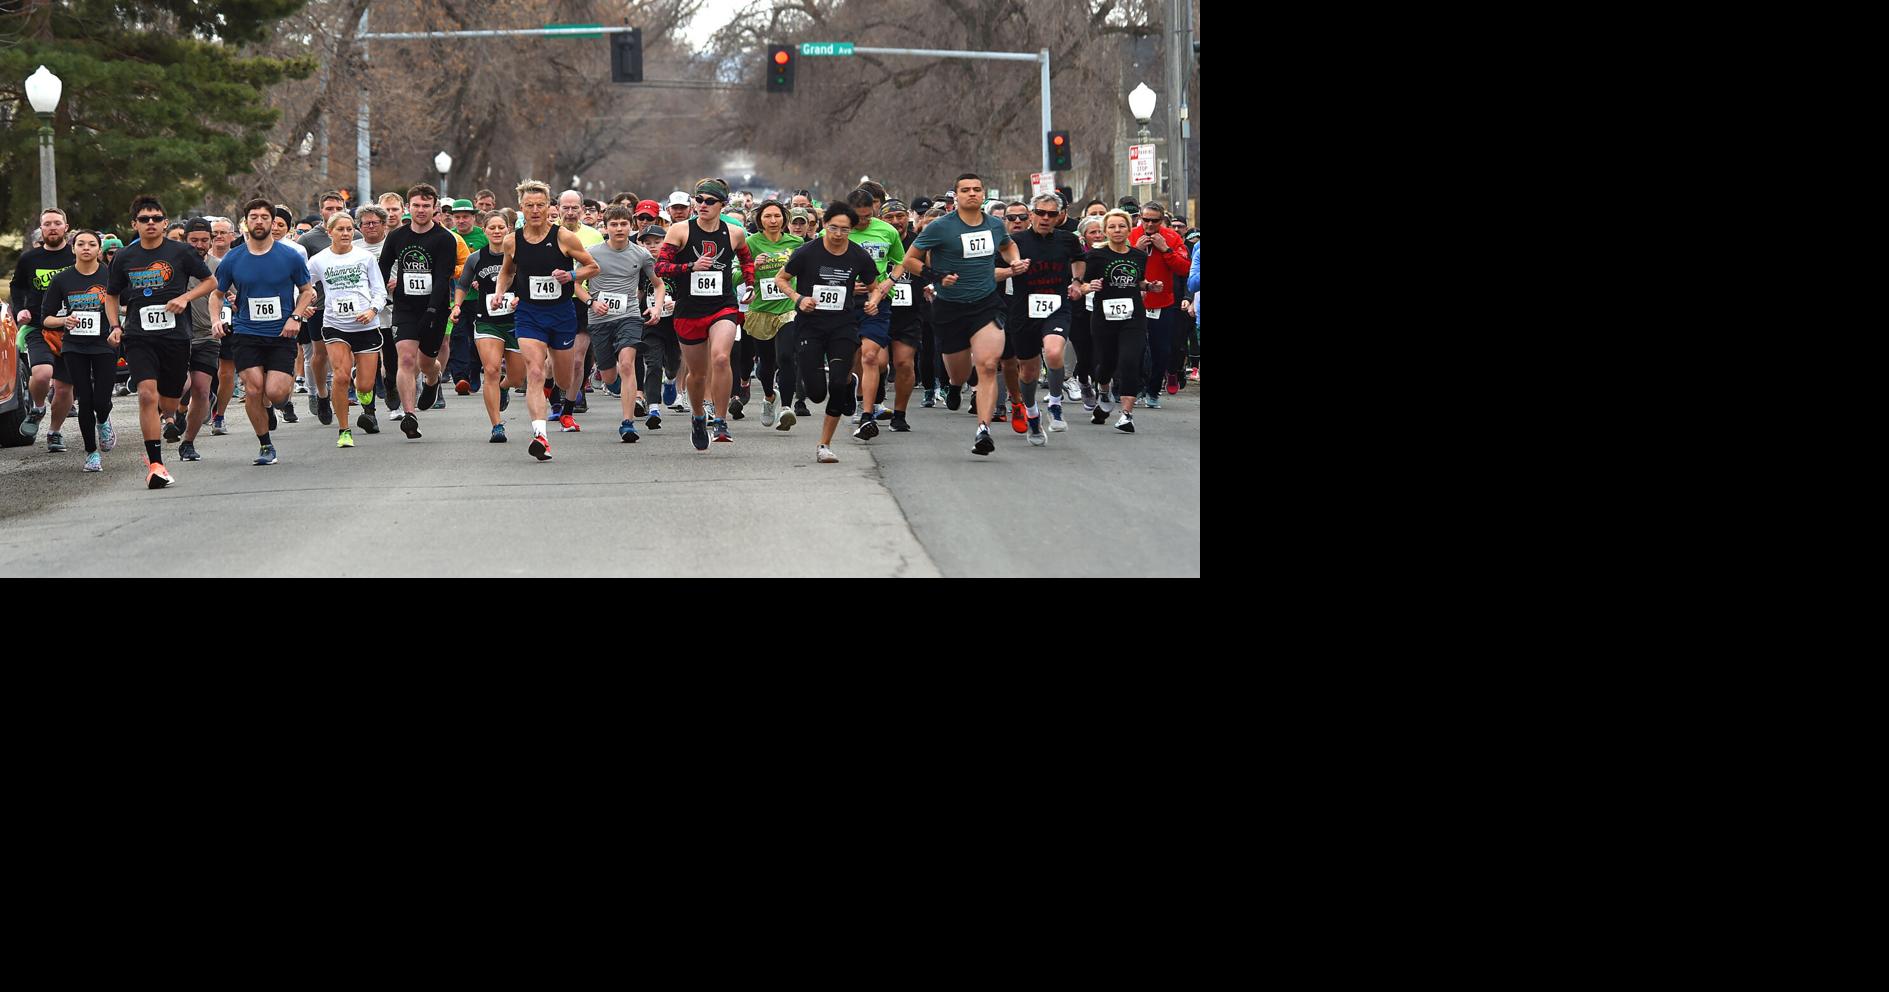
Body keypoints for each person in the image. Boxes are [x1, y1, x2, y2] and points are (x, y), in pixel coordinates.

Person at [903, 173, 1024, 456]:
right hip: (950, 308)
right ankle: (955, 386)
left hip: (986, 304)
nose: (972, 194)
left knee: (987, 364)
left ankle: (984, 430)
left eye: (977, 189)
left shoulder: (995, 224)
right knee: (958, 372)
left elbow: (1008, 245)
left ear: (983, 194)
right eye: (966, 190)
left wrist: (1015, 262)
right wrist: (937, 275)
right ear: (956, 196)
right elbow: (910, 260)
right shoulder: (942, 227)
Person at [105, 195, 219, 487]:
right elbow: (111, 294)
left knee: (167, 402)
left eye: (156, 218)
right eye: (144, 219)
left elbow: (210, 282)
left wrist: (184, 297)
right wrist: (115, 325)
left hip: (176, 337)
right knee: (146, 394)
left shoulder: (181, 252)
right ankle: (156, 464)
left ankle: (169, 416)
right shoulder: (124, 257)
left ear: (165, 222)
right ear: (135, 224)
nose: (151, 223)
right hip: (139, 336)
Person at [492, 179, 599, 460]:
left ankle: (554, 387)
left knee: (563, 379)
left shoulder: (564, 237)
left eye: (541, 205)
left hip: (561, 313)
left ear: (549, 206)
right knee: (535, 371)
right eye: (530, 206)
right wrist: (499, 292)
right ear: (521, 208)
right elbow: (507, 271)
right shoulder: (512, 239)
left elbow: (593, 266)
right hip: (529, 313)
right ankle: (540, 435)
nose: (536, 210)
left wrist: (572, 276)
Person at [777, 203, 890, 463]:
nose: (838, 234)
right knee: (816, 392)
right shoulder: (807, 252)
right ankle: (848, 384)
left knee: (837, 384)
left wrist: (873, 300)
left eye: (845, 230)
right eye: (834, 228)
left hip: (843, 324)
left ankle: (824, 444)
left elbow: (874, 286)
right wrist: (798, 298)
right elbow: (781, 279)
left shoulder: (859, 255)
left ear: (852, 230)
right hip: (811, 326)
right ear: (825, 225)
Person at [651, 178, 753, 450]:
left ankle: (720, 420)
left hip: (723, 305)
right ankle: (698, 417)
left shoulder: (734, 232)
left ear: (722, 205)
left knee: (720, 358)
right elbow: (660, 267)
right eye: (699, 199)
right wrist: (690, 267)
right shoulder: (680, 231)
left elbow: (745, 258)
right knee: (697, 374)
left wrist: (751, 284)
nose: (703, 205)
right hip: (689, 309)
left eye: (710, 201)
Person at [999, 192, 1087, 442]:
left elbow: (1080, 260)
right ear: (1031, 214)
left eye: (1051, 214)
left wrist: (1077, 281)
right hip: (1023, 311)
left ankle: (1056, 405)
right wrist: (1011, 270)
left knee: (1054, 352)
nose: (1045, 218)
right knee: (1028, 372)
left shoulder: (1068, 240)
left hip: (1056, 306)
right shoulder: (1014, 242)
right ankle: (1032, 414)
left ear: (1059, 216)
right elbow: (992, 272)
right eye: (1040, 213)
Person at [376, 183, 459, 440]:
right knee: (407, 360)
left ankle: (433, 380)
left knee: (426, 364)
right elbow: (381, 269)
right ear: (407, 208)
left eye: (426, 206)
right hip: (404, 308)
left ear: (434, 208)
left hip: (433, 309)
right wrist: (380, 297)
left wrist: (433, 311)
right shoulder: (397, 236)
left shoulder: (444, 238)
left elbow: (443, 276)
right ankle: (409, 414)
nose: (421, 210)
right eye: (416, 206)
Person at [306, 210, 388, 449]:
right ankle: (344, 430)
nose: (345, 233)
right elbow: (302, 285)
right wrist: (306, 303)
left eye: (350, 229)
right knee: (340, 377)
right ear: (329, 232)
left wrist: (373, 310)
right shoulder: (319, 260)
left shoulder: (365, 258)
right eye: (340, 229)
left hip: (365, 325)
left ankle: (362, 389)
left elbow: (380, 291)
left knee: (365, 385)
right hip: (335, 325)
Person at [583, 205, 664, 443]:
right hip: (599, 318)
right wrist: (591, 302)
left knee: (627, 364)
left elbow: (658, 284)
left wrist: (657, 307)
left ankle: (627, 423)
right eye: (614, 224)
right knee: (610, 377)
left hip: (628, 315)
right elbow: (577, 283)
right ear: (605, 227)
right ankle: (605, 373)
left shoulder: (641, 254)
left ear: (631, 227)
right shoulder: (592, 252)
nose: (619, 228)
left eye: (623, 224)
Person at [37, 231, 114, 472]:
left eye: (92, 244)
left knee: (102, 399)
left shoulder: (110, 275)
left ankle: (103, 420)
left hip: (105, 343)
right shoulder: (62, 280)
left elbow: (125, 303)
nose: (86, 248)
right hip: (74, 346)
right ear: (73, 249)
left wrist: (118, 325)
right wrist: (64, 321)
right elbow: (46, 318)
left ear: (99, 250)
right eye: (81, 244)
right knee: (85, 398)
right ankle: (92, 453)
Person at [1082, 210, 1164, 434]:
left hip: (1133, 316)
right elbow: (1081, 284)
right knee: (1106, 363)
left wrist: (1149, 286)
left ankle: (1126, 415)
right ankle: (1104, 391)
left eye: (1121, 226)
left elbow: (1137, 281)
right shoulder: (1096, 256)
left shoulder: (1138, 255)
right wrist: (1090, 287)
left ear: (1129, 229)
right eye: (1112, 227)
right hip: (1104, 317)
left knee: (1130, 360)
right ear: (1105, 231)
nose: (1117, 231)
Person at [8, 207, 75, 449]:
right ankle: (37, 407)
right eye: (47, 224)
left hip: (72, 327)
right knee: (43, 373)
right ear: (41, 229)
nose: (52, 227)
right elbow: (17, 288)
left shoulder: (76, 256)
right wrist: (20, 311)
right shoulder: (29, 259)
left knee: (65, 388)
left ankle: (54, 432)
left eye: (57, 223)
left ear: (66, 227)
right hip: (39, 326)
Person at [455, 212, 526, 442]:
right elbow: (463, 284)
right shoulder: (476, 258)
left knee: (517, 378)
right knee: (492, 370)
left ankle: (505, 388)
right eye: (492, 227)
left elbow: (529, 282)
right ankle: (497, 425)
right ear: (484, 230)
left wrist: (521, 299)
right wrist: (456, 306)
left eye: (501, 227)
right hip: (487, 321)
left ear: (509, 229)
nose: (497, 231)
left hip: (516, 321)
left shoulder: (520, 255)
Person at [742, 200, 801, 431]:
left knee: (786, 356)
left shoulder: (796, 243)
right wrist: (752, 267)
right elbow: (736, 275)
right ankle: (769, 397)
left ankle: (786, 407)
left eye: (777, 216)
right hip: (761, 310)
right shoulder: (750, 243)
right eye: (768, 216)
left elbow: (807, 270)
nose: (773, 221)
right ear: (760, 220)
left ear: (784, 219)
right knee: (765, 364)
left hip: (788, 308)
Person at [1133, 202, 1190, 404]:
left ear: (1162, 219)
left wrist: (1165, 249)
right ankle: (1136, 388)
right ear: (1140, 217)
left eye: (1154, 220)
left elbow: (1184, 269)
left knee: (1162, 349)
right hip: (1135, 302)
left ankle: (1153, 389)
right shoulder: (1131, 235)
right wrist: (1135, 250)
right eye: (1145, 219)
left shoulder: (1172, 237)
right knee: (1136, 348)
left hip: (1163, 303)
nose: (1148, 224)